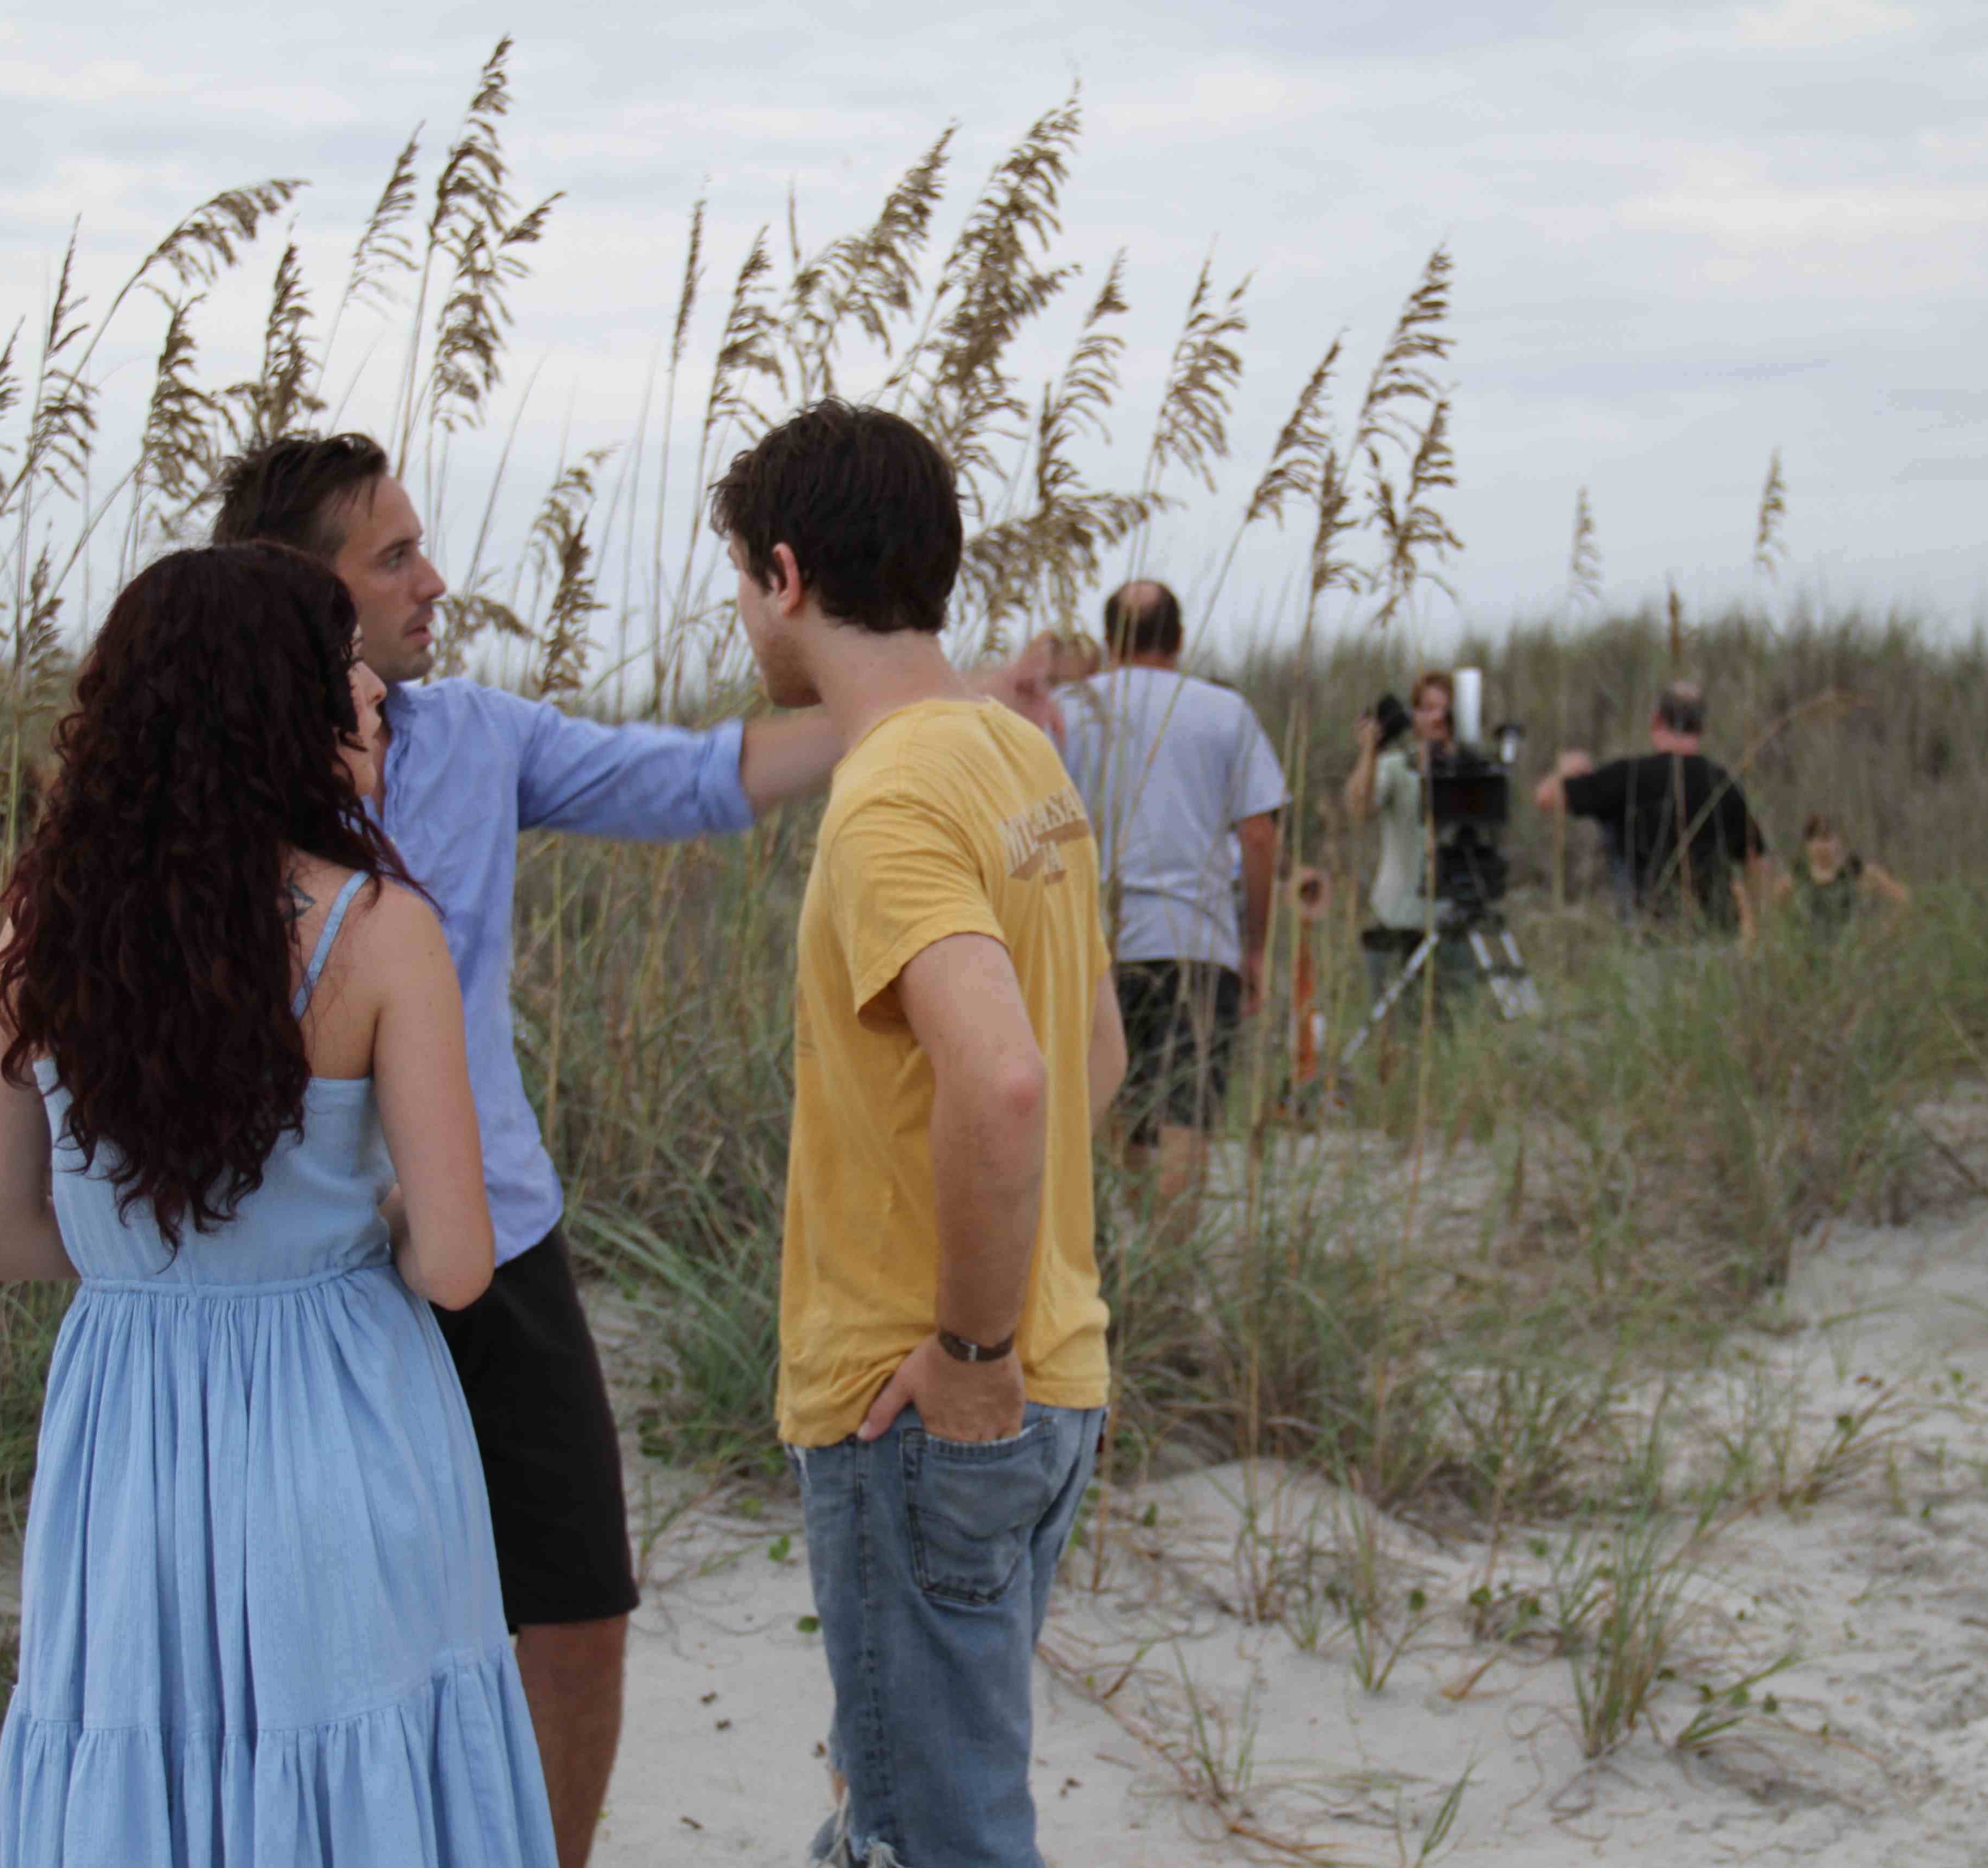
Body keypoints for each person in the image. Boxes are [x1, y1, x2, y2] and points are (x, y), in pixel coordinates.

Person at [209, 433, 843, 1868]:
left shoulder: (477, 737)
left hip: (493, 1240)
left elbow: (689, 776)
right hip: (302, 1276)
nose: (435, 581)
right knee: (321, 1628)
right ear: (303, 591)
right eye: (393, 557)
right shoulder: (192, 791)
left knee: (575, 1602)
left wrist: (906, 710)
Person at [0, 544, 556, 1865]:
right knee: (351, 1761)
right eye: (341, 667)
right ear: (270, 704)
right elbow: (458, 1262)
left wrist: (146, 1261)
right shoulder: (379, 927)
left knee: (141, 1755)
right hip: (339, 1411)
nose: (372, 696)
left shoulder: (35, 927)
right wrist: (369, 1217)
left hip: (128, 1426)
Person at [713, 399, 1124, 1868]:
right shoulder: (1021, 761)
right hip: (1053, 1377)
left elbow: (1008, 1080)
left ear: (785, 574)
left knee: (930, 1835)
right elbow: (1099, 1056)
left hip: (927, 1403)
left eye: (743, 585)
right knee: (904, 1799)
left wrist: (965, 1350)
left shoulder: (884, 796)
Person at [1058, 579, 1286, 1206]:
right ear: (1181, 639)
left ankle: (1124, 1265)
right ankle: (1170, 1278)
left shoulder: (1067, 711)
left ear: (1108, 642)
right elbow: (1260, 836)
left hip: (1094, 942)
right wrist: (1256, 947)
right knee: (1187, 1112)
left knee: (1115, 1103)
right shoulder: (1224, 712)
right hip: (1198, 943)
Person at [1535, 681, 1770, 937]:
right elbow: (1756, 859)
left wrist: (1566, 768)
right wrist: (1756, 921)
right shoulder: (1723, 785)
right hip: (1716, 936)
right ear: (1701, 727)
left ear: (1656, 720)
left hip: (1648, 940)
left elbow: (1547, 797)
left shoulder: (1627, 779)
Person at [1343, 670, 1455, 998]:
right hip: (1399, 917)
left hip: (1454, 921)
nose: (1438, 718)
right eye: (1428, 708)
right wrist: (1369, 752)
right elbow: (1359, 808)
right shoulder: (1395, 767)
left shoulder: (1473, 769)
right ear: (1413, 715)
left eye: (1445, 709)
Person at [1775, 813, 1911, 936]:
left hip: (1850, 953)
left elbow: (1902, 898)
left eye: (1826, 838)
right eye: (1813, 839)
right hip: (1810, 953)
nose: (1820, 846)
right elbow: (1775, 904)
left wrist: (1883, 930)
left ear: (1837, 840)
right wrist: (1792, 932)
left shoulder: (1855, 871)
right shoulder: (1800, 876)